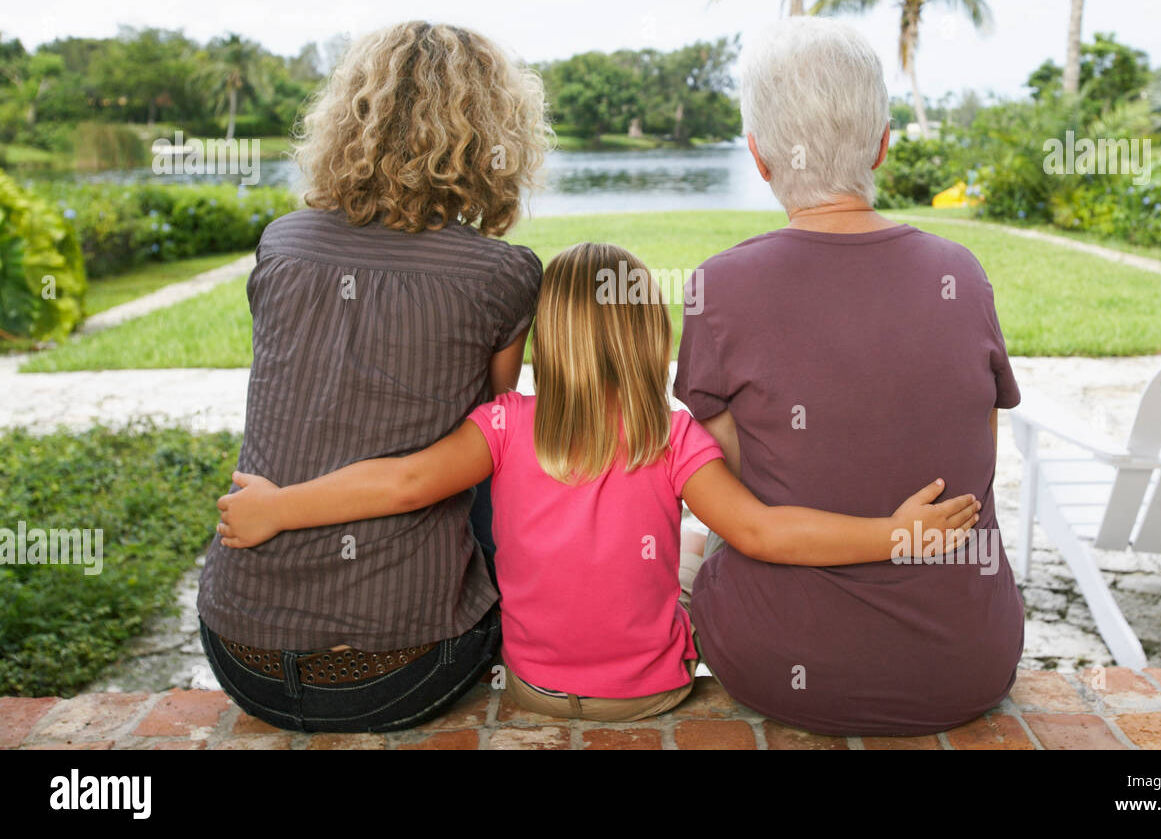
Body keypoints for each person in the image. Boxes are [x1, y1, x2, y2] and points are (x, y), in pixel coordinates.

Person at [216, 242, 982, 722]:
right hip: (652, 695)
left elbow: (406, 482)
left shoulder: (504, 424)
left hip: (532, 689)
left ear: (550, 336)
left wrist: (280, 508)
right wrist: (891, 532)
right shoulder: (671, 433)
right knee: (700, 552)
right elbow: (762, 533)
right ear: (649, 332)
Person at [674, 15, 1024, 736]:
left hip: (780, 661)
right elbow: (976, 458)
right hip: (968, 663)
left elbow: (737, 489)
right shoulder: (960, 274)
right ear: (883, 145)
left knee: (682, 536)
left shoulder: (721, 286)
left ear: (760, 158)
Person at [196, 21, 548, 733]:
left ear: (351, 118)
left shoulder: (282, 242)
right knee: (493, 442)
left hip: (238, 654)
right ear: (493, 134)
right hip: (400, 669)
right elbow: (490, 437)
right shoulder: (503, 273)